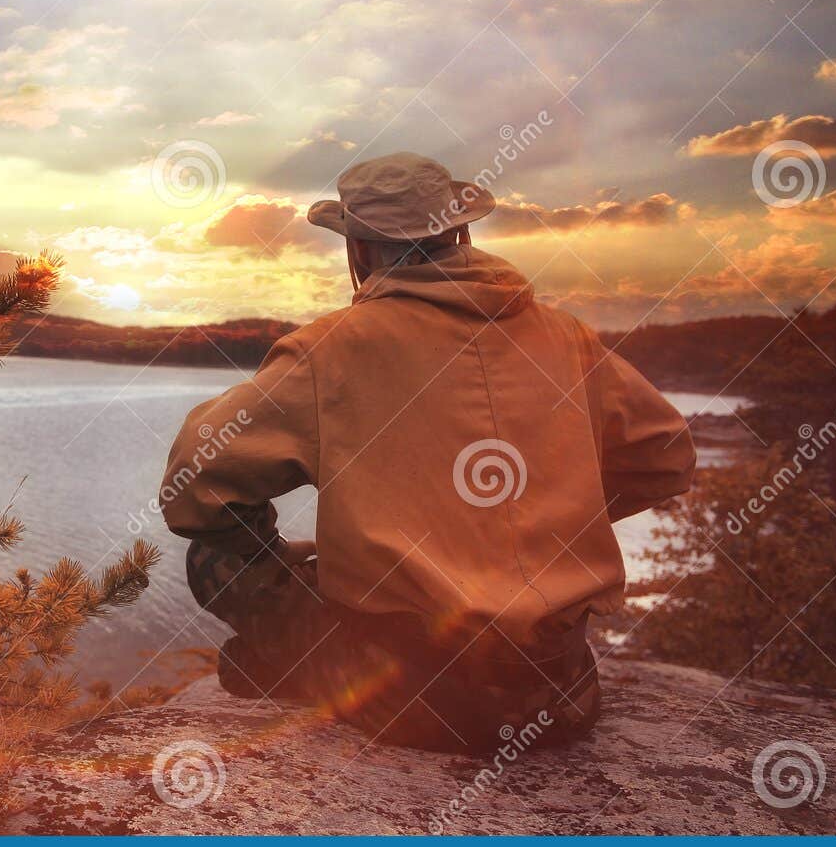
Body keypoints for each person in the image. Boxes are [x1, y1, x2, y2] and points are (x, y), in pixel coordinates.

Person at [159, 153, 696, 752]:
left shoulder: (332, 350)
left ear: (357, 250)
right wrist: (558, 517)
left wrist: (303, 548)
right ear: (461, 232)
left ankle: (314, 670)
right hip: (561, 694)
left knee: (215, 557)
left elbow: (192, 488)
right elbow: (665, 455)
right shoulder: (565, 337)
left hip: (419, 705)